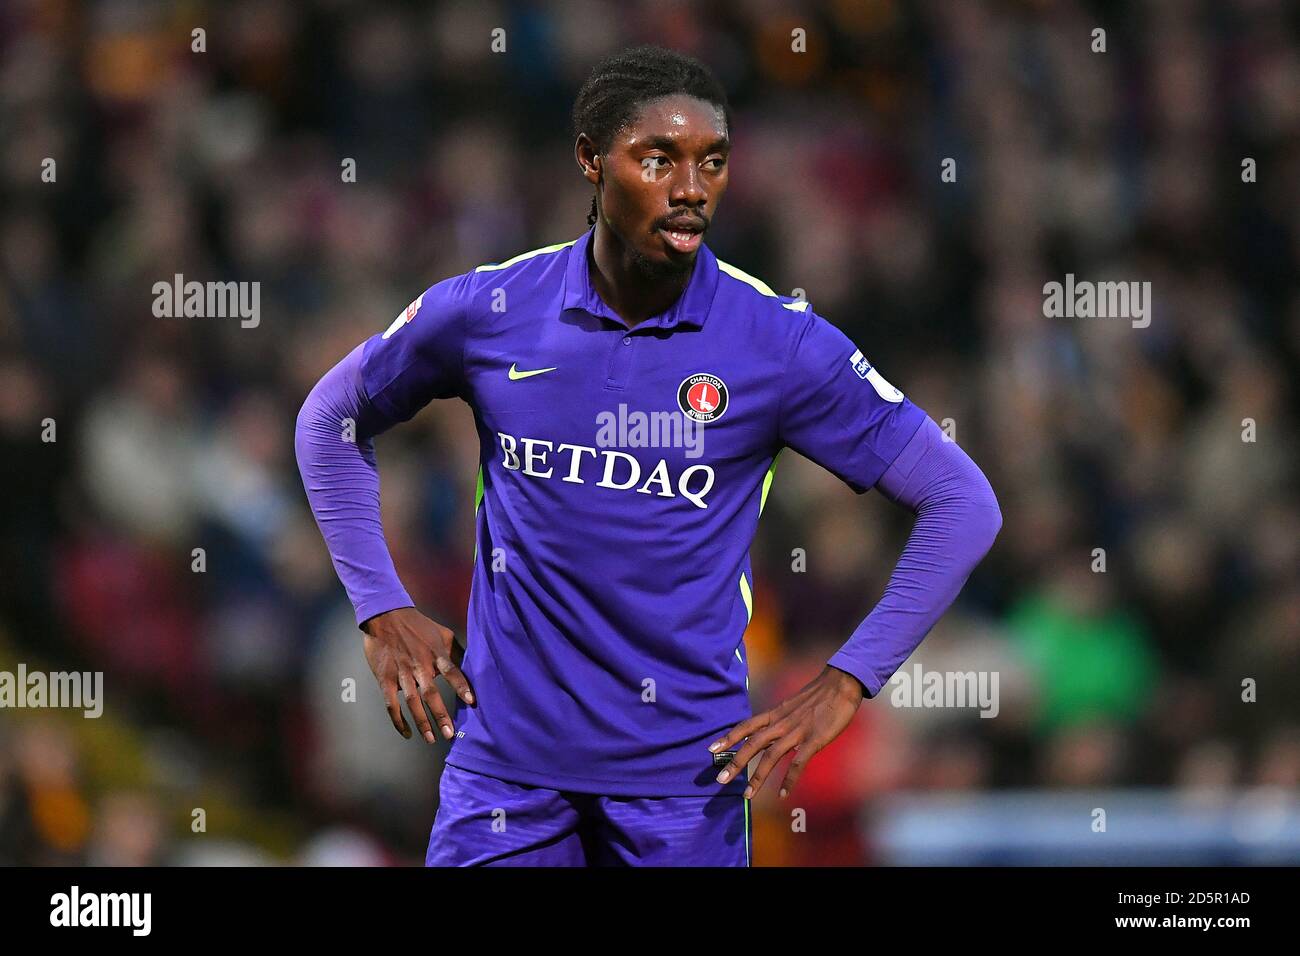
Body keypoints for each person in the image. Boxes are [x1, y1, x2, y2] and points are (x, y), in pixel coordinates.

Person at [295, 44, 1001, 866]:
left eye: (713, 162)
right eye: (658, 159)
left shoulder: (778, 343)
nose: (692, 189)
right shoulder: (492, 310)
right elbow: (329, 419)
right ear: (591, 162)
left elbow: (963, 502)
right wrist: (381, 608)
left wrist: (848, 681)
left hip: (685, 788)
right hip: (505, 778)